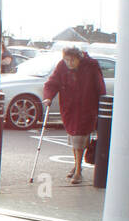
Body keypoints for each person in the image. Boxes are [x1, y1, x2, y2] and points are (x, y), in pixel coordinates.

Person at [43, 47, 105, 185]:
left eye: (72, 60)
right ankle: (77, 165)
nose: (69, 63)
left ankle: (78, 172)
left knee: (79, 138)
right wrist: (48, 97)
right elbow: (52, 83)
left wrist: (101, 105)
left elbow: (100, 85)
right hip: (69, 108)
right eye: (67, 60)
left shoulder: (91, 65)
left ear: (79, 58)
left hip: (86, 108)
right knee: (74, 138)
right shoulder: (61, 66)